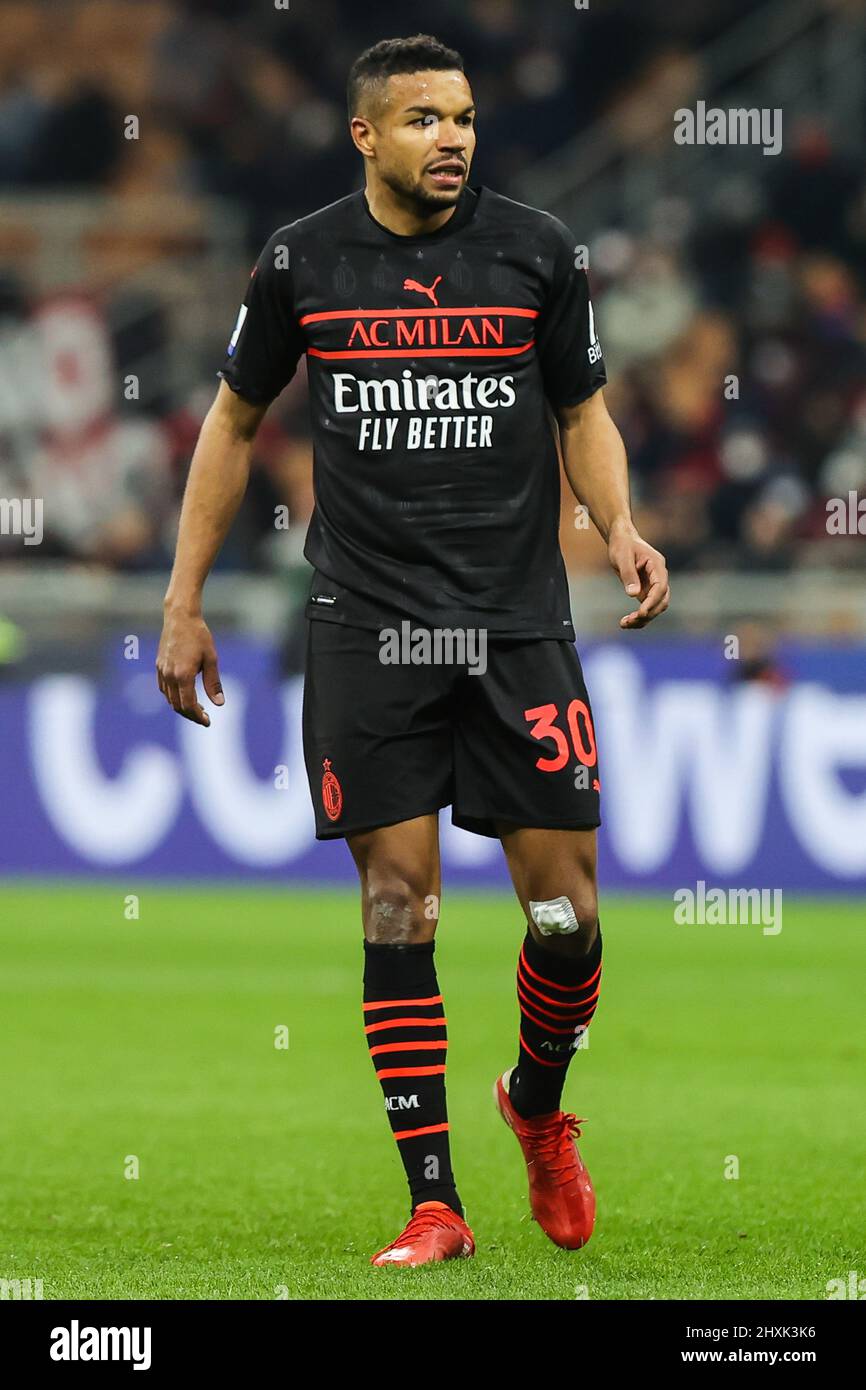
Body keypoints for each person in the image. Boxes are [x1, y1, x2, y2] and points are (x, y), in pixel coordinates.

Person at [157, 33, 670, 1268]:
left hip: (515, 626)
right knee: (399, 906)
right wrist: (181, 600)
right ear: (366, 136)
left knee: (564, 915)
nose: (453, 137)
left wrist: (619, 522)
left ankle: (536, 1108)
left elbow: (579, 410)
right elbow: (232, 424)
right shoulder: (301, 261)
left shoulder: (536, 252)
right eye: (426, 118)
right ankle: (434, 1202)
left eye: (466, 117)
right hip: (365, 627)